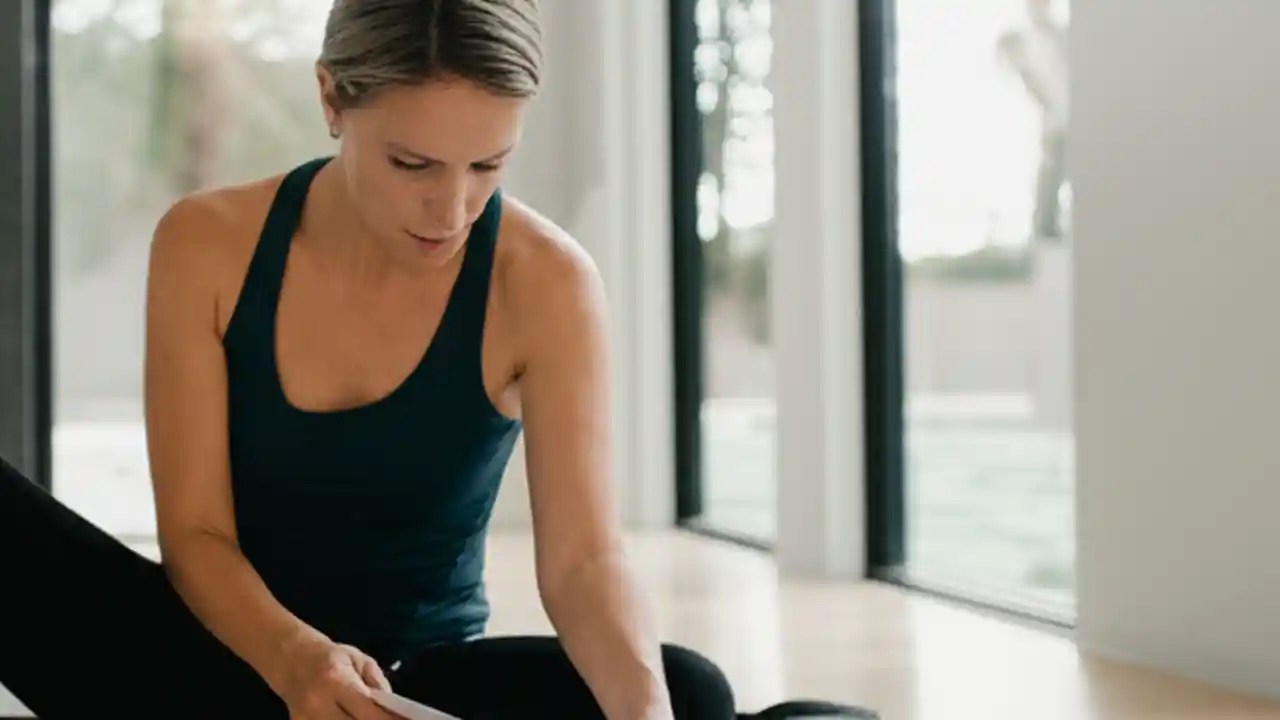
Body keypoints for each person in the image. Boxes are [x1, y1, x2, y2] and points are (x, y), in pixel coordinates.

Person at [0, 1, 876, 718]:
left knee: (685, 690)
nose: (449, 209)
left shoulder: (547, 282)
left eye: (487, 164)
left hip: (413, 689)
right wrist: (299, 660)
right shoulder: (206, 244)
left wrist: (640, 710)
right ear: (332, 99)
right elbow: (195, 536)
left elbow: (580, 562)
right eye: (411, 162)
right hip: (221, 654)